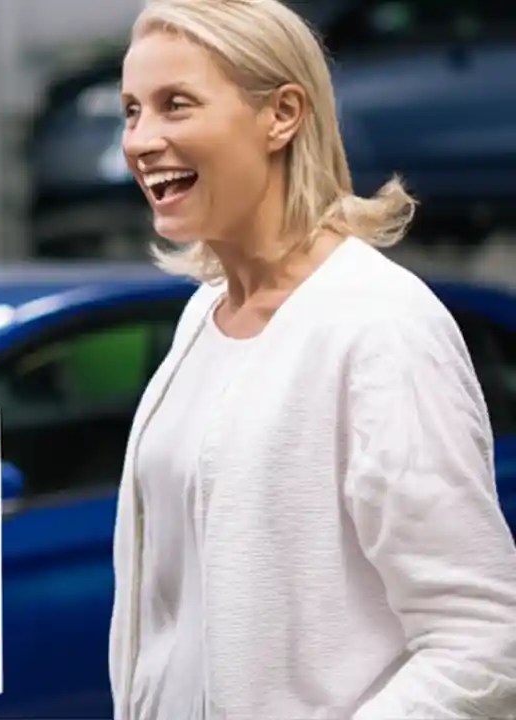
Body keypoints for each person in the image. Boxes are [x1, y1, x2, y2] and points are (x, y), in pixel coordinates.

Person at [107, 0, 516, 718]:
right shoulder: (204, 313)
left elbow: (485, 642)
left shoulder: (380, 326)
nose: (141, 140)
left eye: (176, 105)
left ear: (282, 114)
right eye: (132, 110)